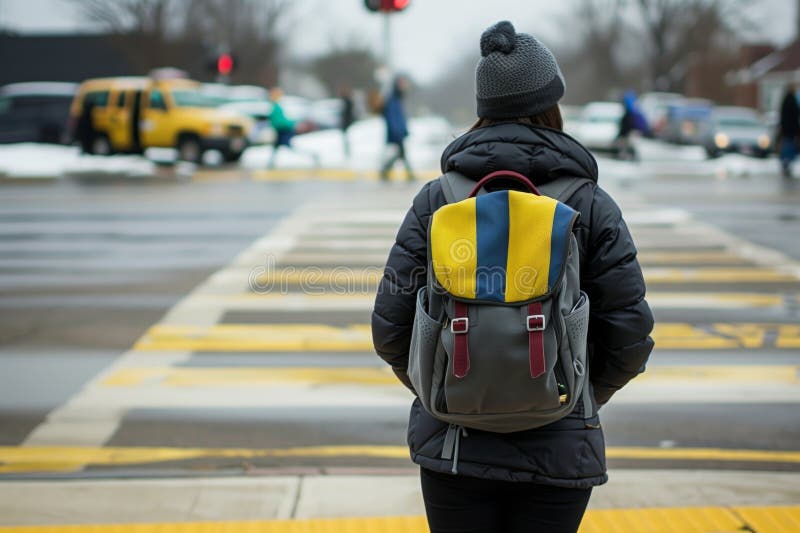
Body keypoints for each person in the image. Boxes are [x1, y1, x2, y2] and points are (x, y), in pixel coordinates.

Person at [371, 21, 654, 533]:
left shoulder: (437, 201)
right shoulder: (590, 205)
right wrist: (570, 390)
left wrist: (443, 389)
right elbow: (630, 337)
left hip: (453, 445)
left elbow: (390, 329)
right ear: (552, 104)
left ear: (484, 107)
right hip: (561, 447)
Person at [267, 87, 318, 169]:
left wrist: (292, 125)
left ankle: (311, 155)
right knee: (277, 148)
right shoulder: (276, 107)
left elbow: (280, 121)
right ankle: (270, 163)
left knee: (289, 147)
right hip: (281, 131)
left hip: (283, 131)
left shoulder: (276, 108)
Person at [380, 75, 414, 181]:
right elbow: (393, 118)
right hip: (396, 133)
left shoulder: (398, 98)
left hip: (399, 132)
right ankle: (410, 174)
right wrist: (398, 132)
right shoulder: (392, 99)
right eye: (402, 84)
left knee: (400, 154)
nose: (405, 86)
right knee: (402, 154)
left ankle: (385, 170)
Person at [778, 83, 799, 178]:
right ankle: (786, 164)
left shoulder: (787, 100)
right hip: (790, 131)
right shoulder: (791, 100)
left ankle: (786, 164)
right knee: (789, 148)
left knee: (787, 147)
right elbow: (793, 116)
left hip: (787, 131)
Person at [338, 85, 355, 159]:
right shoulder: (347, 101)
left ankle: (347, 152)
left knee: (347, 138)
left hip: (347, 123)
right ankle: (347, 151)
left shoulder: (347, 102)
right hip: (347, 123)